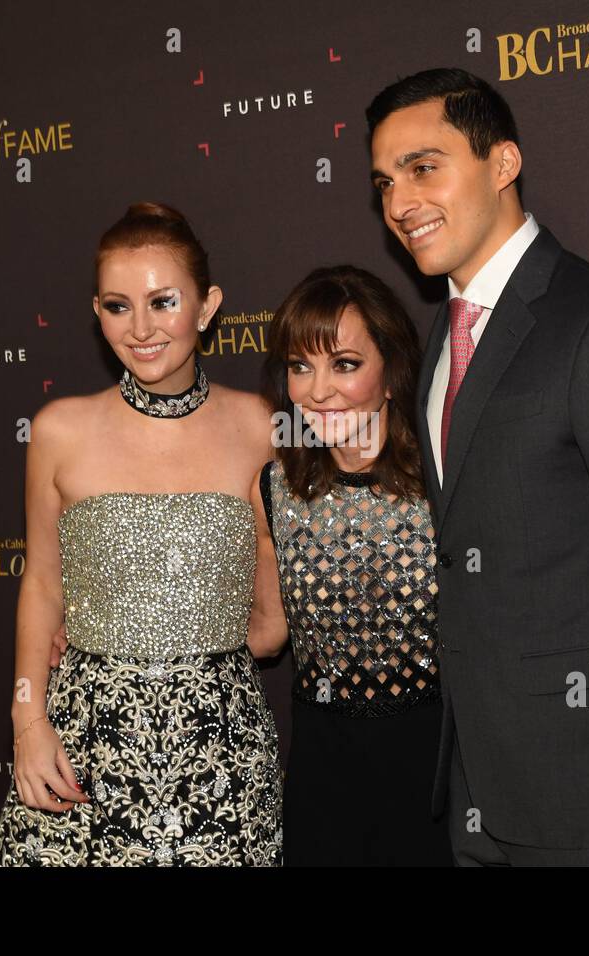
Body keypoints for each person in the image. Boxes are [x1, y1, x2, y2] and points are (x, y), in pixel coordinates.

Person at [365, 68, 589, 866]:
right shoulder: (444, 335)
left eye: (424, 168)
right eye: (385, 182)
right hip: (478, 789)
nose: (399, 203)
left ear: (503, 164)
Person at [0, 201, 283, 866]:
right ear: (97, 313)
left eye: (163, 301)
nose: (141, 328)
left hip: (222, 756)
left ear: (206, 308)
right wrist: (27, 722)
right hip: (81, 750)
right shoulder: (59, 430)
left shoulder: (261, 427)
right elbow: (40, 585)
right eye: (118, 306)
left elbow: (270, 610)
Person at [247, 265, 452, 866]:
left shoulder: (444, 483)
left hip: (438, 772)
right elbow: (266, 634)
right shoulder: (275, 490)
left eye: (344, 364)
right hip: (324, 775)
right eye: (299, 366)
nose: (316, 390)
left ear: (390, 371)